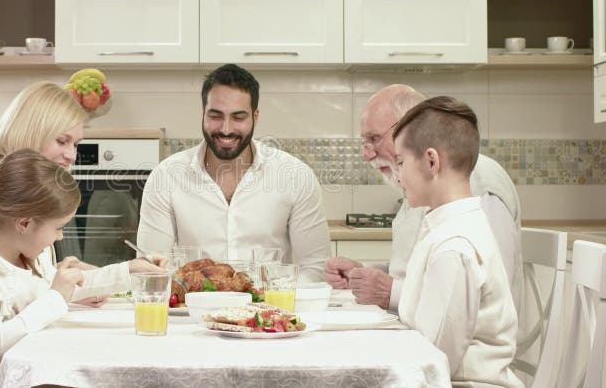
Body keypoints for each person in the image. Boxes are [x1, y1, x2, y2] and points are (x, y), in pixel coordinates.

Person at [0, 149, 165, 387]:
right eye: (58, 227)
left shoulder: (28, 256)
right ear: (24, 223)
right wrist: (55, 296)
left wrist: (130, 270)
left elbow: (72, 286)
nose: (60, 237)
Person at [0, 81, 96, 386]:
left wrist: (119, 276)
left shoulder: (34, 200)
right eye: (62, 141)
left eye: (75, 144)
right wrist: (45, 304)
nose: (71, 154)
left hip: (17, 358)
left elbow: (37, 283)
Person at [324, 84, 523, 313]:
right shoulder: (417, 184)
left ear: (411, 128)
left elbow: (486, 292)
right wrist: (365, 274)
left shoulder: (474, 179)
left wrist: (391, 292)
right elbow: (421, 270)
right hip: (416, 329)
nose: (367, 154)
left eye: (375, 138)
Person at [137, 64, 330, 281]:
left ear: (255, 117)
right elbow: (149, 269)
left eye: (238, 117)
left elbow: (315, 268)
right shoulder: (166, 176)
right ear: (203, 114)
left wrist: (270, 297)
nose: (226, 129)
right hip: (191, 310)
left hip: (270, 311)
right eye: (216, 116)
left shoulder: (295, 176)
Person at [391, 96, 522, 387]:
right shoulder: (452, 227)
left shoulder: (454, 247)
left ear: (431, 161)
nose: (398, 176)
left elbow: (432, 363)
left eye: (400, 162)